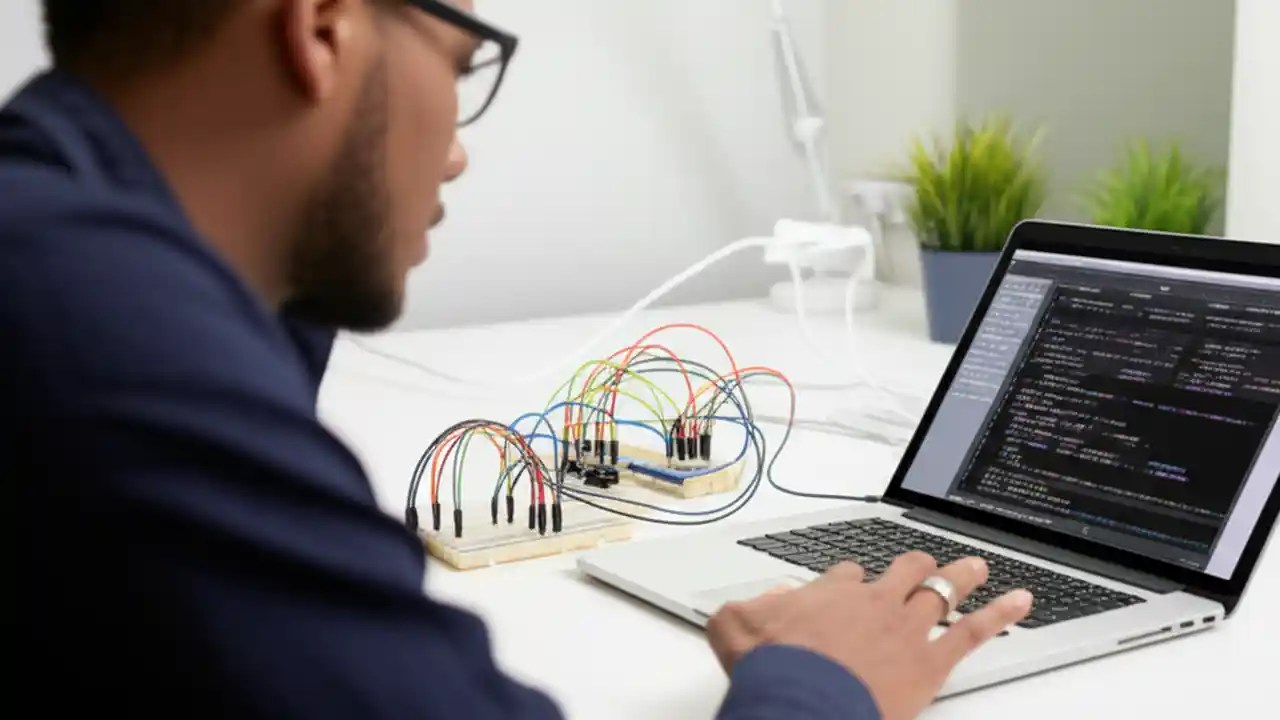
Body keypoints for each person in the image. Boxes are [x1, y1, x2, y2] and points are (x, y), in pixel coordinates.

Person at [4, 1, 1033, 717]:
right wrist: (819, 681)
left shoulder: (62, 245)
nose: (455, 150)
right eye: (460, 67)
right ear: (320, 28)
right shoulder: (105, 336)